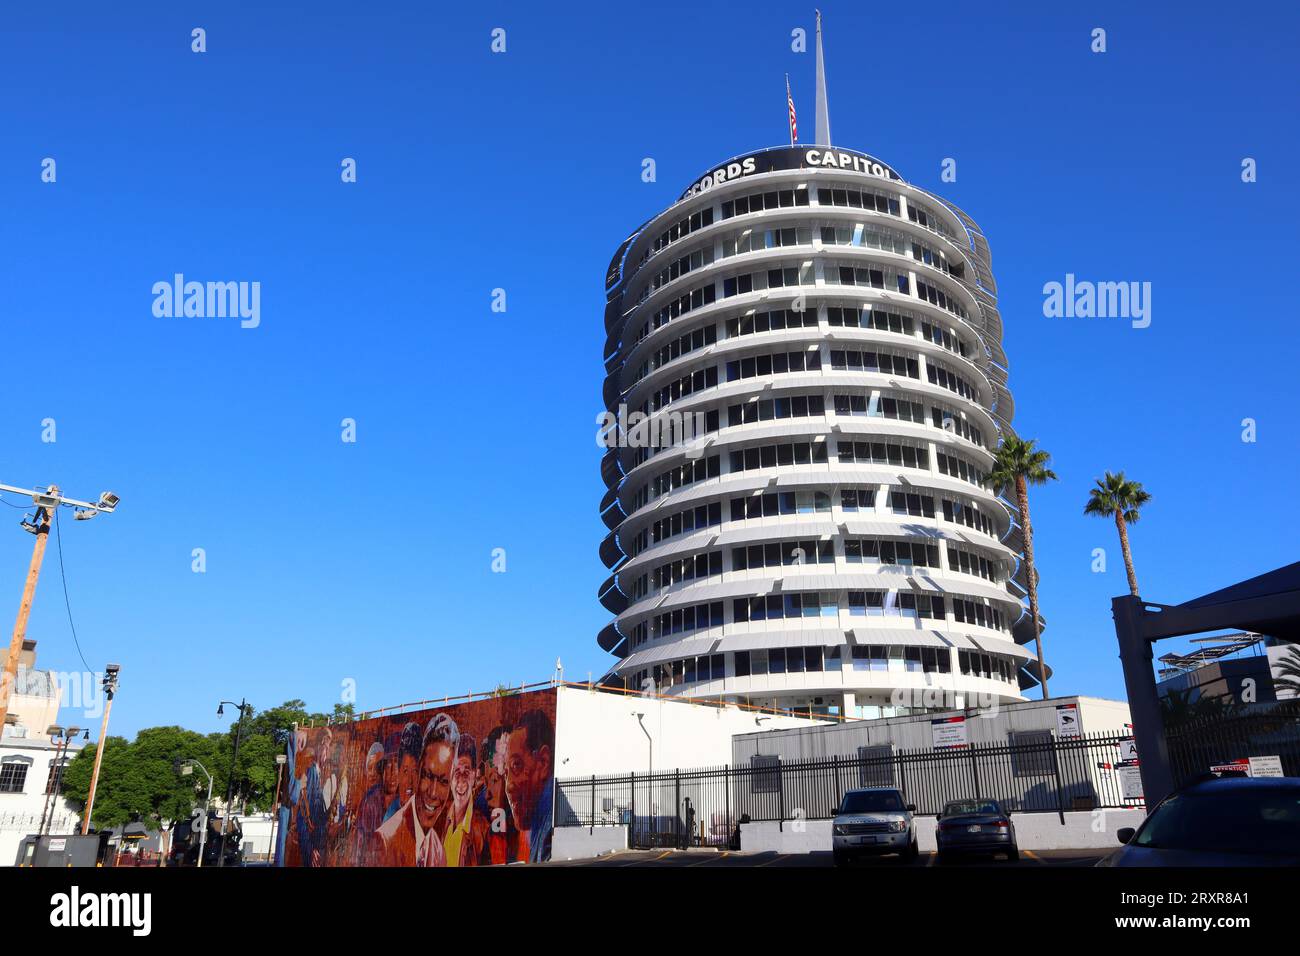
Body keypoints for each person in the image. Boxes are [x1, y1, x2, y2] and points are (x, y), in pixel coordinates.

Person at [376, 714, 457, 866]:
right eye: (427, 775)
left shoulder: (438, 852)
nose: (433, 793)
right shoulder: (386, 841)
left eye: (443, 781)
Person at [505, 709, 554, 863]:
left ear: (543, 762)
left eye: (516, 765)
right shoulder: (540, 823)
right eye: (506, 773)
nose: (508, 786)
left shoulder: (548, 831)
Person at [443, 733, 488, 866]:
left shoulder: (482, 829)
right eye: (457, 772)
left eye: (466, 772)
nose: (461, 780)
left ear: (474, 776)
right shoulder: (438, 820)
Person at [476, 726, 517, 865]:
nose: (487, 794)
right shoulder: (492, 831)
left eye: (494, 780)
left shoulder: (527, 834)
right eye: (486, 783)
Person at [353, 741, 388, 865]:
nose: (373, 773)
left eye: (377, 767)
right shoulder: (367, 800)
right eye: (370, 767)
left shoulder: (384, 797)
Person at [384, 722, 423, 822]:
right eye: (405, 771)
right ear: (399, 773)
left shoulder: (426, 814)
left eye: (415, 771)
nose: (410, 781)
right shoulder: (391, 816)